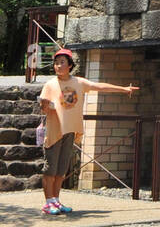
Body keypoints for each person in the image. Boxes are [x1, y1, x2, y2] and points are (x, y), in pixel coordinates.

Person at [38, 48, 139, 216]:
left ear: (70, 65)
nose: (58, 66)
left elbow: (99, 86)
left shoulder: (78, 82)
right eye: (56, 63)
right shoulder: (50, 85)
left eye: (62, 62)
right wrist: (45, 105)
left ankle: (56, 199)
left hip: (70, 131)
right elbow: (43, 108)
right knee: (50, 169)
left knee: (61, 170)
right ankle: (48, 202)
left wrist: (123, 89)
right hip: (55, 131)